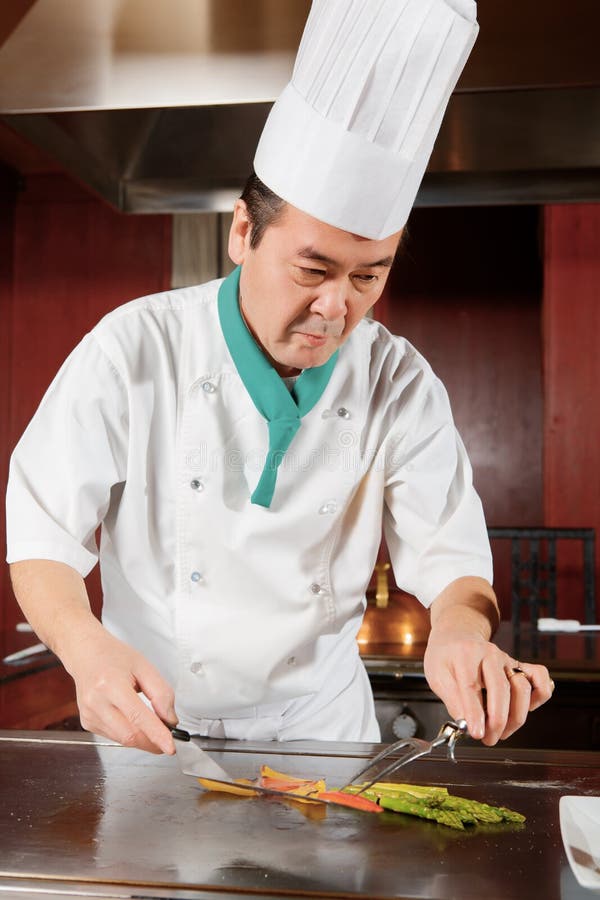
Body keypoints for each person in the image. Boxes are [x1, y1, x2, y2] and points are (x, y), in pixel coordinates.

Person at [6, 0, 553, 756]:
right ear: (242, 232)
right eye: (313, 268)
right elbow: (43, 529)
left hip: (320, 735)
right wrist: (84, 649)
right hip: (156, 731)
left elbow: (453, 559)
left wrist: (459, 634)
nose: (337, 307)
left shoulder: (397, 381)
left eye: (370, 276)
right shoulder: (134, 348)